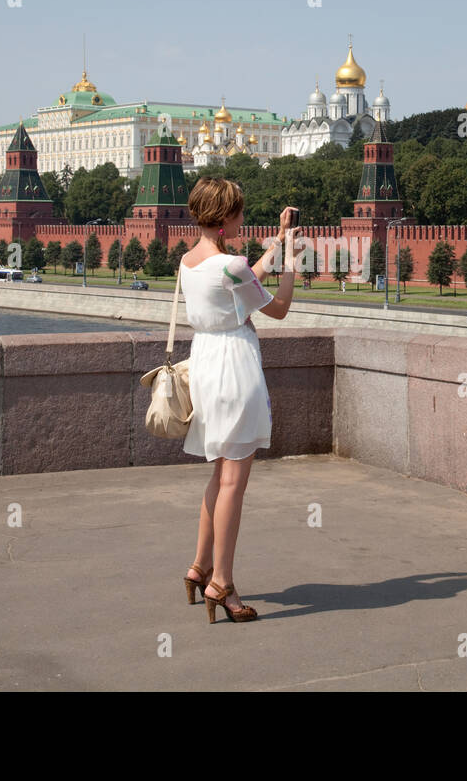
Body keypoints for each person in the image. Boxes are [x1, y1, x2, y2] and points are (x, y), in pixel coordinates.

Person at [179, 178, 300, 622]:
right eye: (240, 211)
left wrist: (281, 240)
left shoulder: (189, 263)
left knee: (218, 476)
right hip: (235, 368)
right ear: (226, 215)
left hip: (206, 366)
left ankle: (198, 566)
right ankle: (222, 583)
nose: (243, 218)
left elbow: (244, 281)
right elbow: (279, 306)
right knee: (235, 482)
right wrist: (292, 265)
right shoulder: (230, 265)